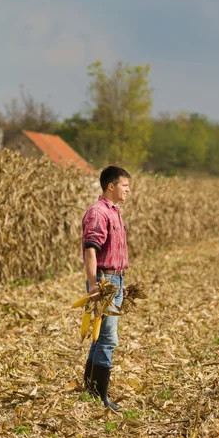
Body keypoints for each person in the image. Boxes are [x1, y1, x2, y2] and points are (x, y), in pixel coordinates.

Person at [81, 165, 131, 410]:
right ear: (110, 186)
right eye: (125, 185)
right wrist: (93, 283)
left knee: (99, 336)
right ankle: (101, 395)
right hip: (104, 281)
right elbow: (91, 250)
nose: (128, 190)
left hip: (115, 280)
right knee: (108, 338)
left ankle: (90, 390)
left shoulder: (115, 211)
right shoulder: (98, 212)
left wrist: (122, 282)